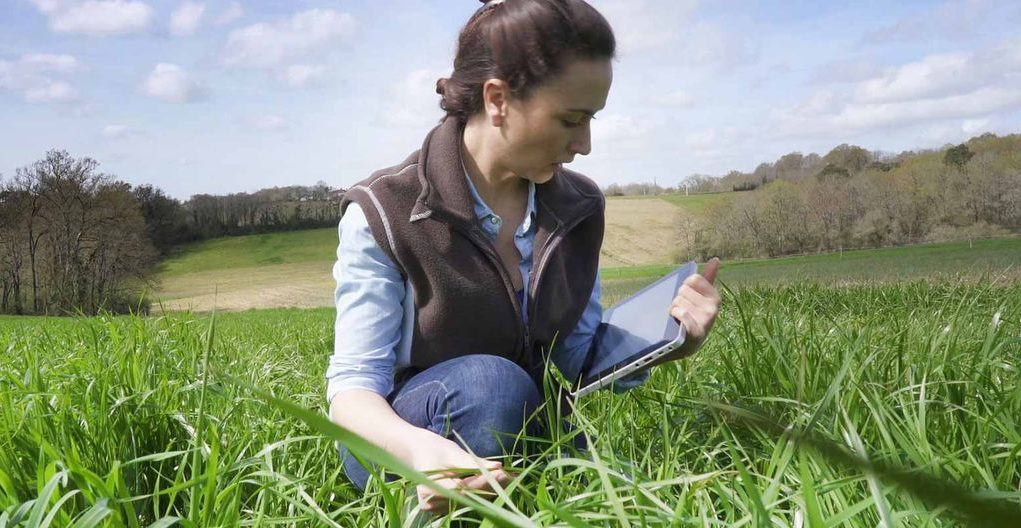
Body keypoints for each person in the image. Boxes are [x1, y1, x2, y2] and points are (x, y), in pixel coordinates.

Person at [326, 0, 722, 513]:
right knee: (494, 386)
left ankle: (521, 490)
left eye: (591, 120)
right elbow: (354, 394)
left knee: (634, 493)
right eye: (570, 120)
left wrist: (671, 341)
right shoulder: (384, 211)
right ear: (497, 99)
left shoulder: (578, 208)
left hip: (523, 421)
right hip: (395, 438)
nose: (585, 144)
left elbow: (574, 361)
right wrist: (422, 453)